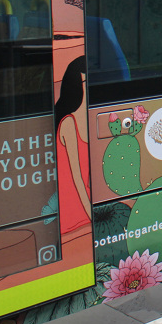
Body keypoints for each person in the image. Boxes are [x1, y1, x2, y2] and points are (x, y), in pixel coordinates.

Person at [56, 56, 91, 233]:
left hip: (86, 199)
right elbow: (76, 177)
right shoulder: (69, 123)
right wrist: (92, 214)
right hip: (74, 207)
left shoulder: (89, 117)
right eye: (86, 80)